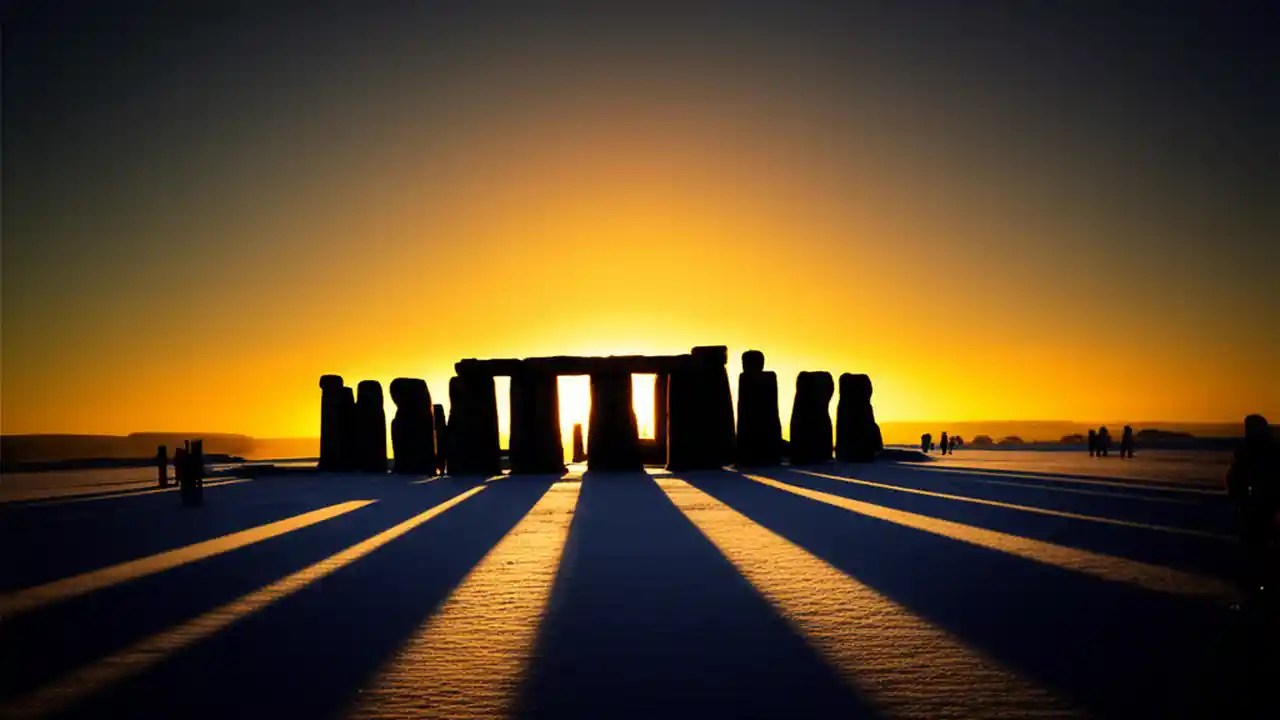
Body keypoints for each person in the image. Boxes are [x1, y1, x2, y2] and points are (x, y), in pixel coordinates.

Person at [1225, 414, 1279, 599]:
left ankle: (1260, 587)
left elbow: (1235, 477)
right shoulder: (1253, 450)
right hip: (1256, 505)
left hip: (1264, 505)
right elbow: (1235, 477)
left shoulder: (1262, 450)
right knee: (1256, 546)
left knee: (1259, 546)